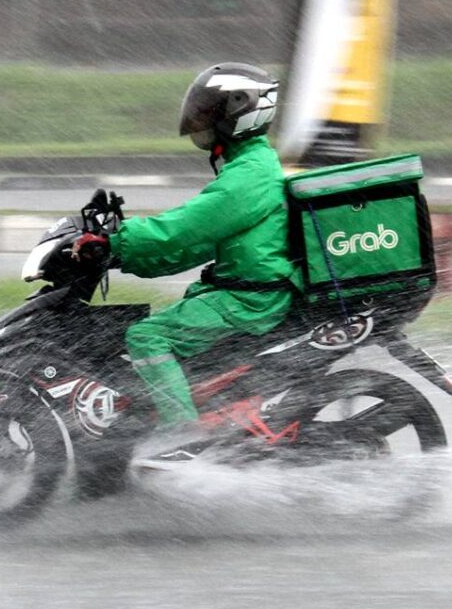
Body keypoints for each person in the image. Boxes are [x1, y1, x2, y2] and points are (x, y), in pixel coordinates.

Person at [72, 63, 298, 466]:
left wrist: (117, 238)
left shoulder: (250, 176)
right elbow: (193, 247)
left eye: (206, 110)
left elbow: (187, 226)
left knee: (148, 338)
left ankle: (183, 434)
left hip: (248, 298)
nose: (196, 119)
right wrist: (121, 256)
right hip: (240, 291)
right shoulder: (248, 168)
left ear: (239, 112)